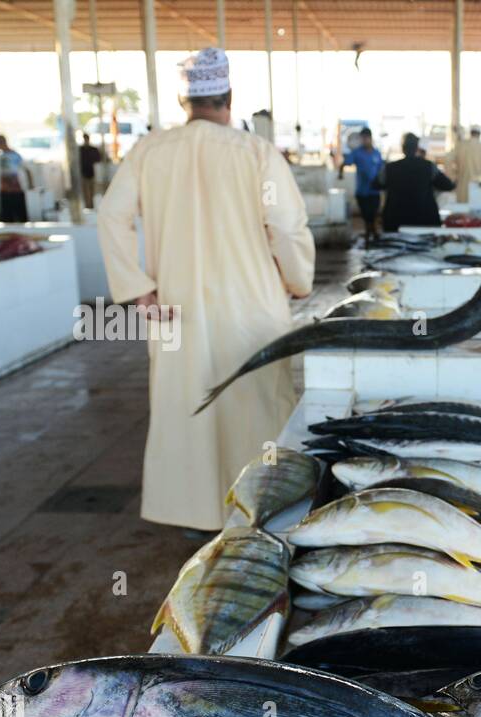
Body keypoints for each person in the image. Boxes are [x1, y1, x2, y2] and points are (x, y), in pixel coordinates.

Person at [97, 47, 314, 532]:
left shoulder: (150, 151)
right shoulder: (256, 152)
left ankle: (199, 519)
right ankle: (259, 518)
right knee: (255, 409)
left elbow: (111, 215)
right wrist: (298, 280)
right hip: (251, 309)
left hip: (177, 313)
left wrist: (138, 291)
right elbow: (285, 224)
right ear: (229, 96)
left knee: (190, 410)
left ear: (183, 100)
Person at [378, 132, 456, 232]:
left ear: (403, 148)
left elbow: (376, 184)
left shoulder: (389, 168)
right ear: (417, 148)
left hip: (396, 224)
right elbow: (447, 185)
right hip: (425, 223)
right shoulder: (429, 167)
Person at [342, 127, 384, 244]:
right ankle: (369, 237)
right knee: (366, 216)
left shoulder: (377, 154)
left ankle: (372, 235)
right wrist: (340, 172)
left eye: (366, 138)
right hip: (362, 192)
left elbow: (382, 171)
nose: (364, 141)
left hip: (375, 191)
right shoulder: (356, 153)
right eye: (362, 139)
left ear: (370, 138)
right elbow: (346, 162)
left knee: (374, 215)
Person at [0, 134, 32, 222]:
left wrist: (30, 184)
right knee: (7, 218)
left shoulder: (14, 155)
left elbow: (27, 170)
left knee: (21, 216)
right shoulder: (0, 155)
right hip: (4, 191)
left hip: (15, 190)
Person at [452, 125, 481, 199]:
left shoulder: (461, 146)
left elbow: (449, 160)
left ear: (470, 133)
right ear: (480, 134)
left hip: (463, 187)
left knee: (462, 209)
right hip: (479, 186)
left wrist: (453, 176)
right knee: (477, 207)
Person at [79, 132, 102, 209]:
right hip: (84, 173)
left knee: (91, 190)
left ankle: (91, 205)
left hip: (91, 172)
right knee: (86, 190)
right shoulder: (81, 150)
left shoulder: (93, 149)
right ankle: (87, 205)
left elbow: (98, 158)